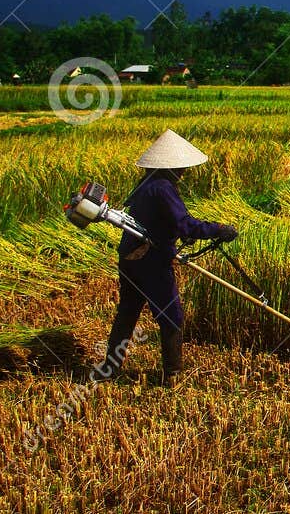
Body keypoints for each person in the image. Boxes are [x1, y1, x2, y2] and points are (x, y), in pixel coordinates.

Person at [99, 129, 238, 384]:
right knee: (171, 315)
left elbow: (159, 220)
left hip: (129, 258)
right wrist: (219, 230)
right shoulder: (163, 187)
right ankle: (172, 375)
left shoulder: (146, 183)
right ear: (172, 166)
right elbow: (185, 224)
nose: (184, 172)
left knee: (127, 313)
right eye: (181, 167)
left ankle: (110, 367)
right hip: (150, 262)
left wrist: (176, 233)